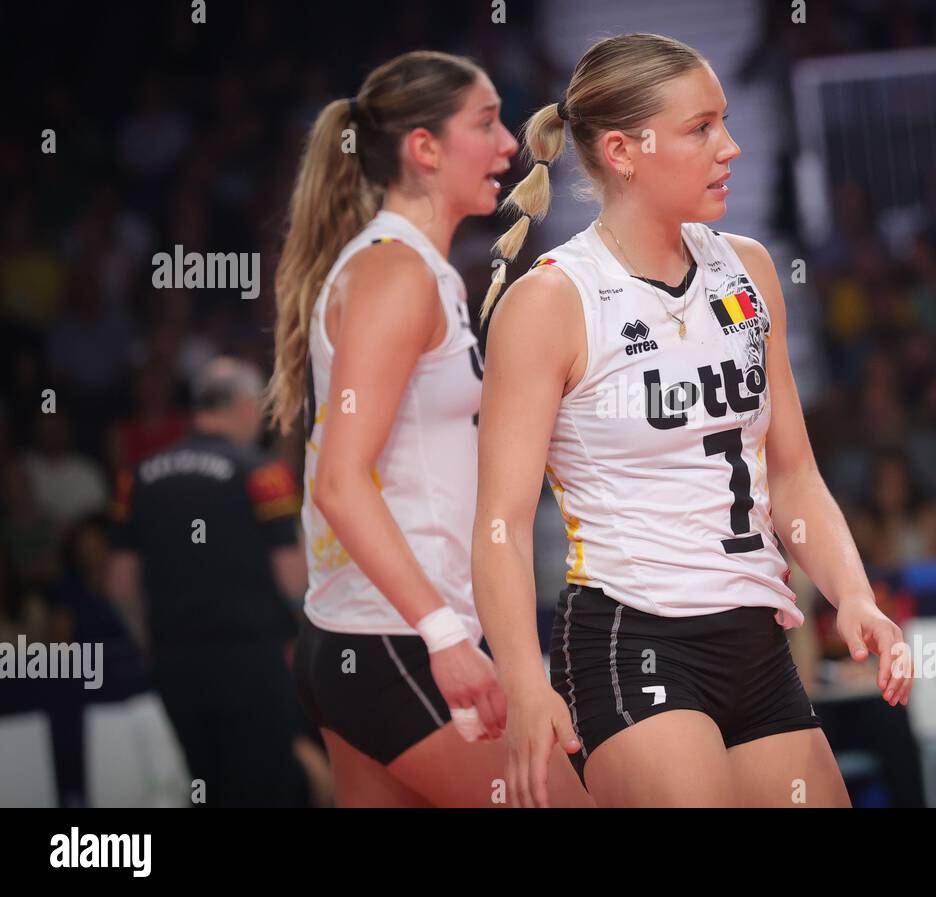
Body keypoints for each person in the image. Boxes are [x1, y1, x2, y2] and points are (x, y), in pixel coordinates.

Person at [472, 33, 911, 808]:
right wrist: (523, 681)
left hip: (759, 639)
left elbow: (793, 474)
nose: (730, 147)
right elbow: (501, 523)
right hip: (634, 637)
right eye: (701, 128)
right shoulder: (551, 300)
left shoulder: (749, 268)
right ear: (623, 151)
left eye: (726, 122)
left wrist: (853, 593)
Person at [267, 50, 589, 807]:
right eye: (487, 123)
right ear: (424, 148)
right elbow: (338, 481)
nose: (509, 145)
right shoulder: (397, 273)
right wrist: (444, 634)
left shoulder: (408, 267)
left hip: (364, 639)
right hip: (399, 643)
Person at [105, 357, 329, 807]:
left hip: (174, 662)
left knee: (201, 787)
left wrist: (149, 644)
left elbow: (119, 584)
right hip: (253, 662)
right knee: (264, 788)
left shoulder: (136, 477)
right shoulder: (262, 473)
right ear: (246, 405)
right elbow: (292, 579)